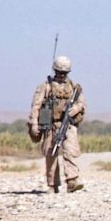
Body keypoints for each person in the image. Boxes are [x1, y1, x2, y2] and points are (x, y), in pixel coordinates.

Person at [28, 55, 86, 193]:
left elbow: (82, 103)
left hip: (68, 124)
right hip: (50, 126)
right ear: (54, 71)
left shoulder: (73, 88)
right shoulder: (45, 87)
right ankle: (53, 184)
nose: (61, 76)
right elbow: (35, 107)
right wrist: (34, 124)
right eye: (59, 73)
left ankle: (72, 180)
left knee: (70, 152)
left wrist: (75, 109)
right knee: (51, 154)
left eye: (64, 73)